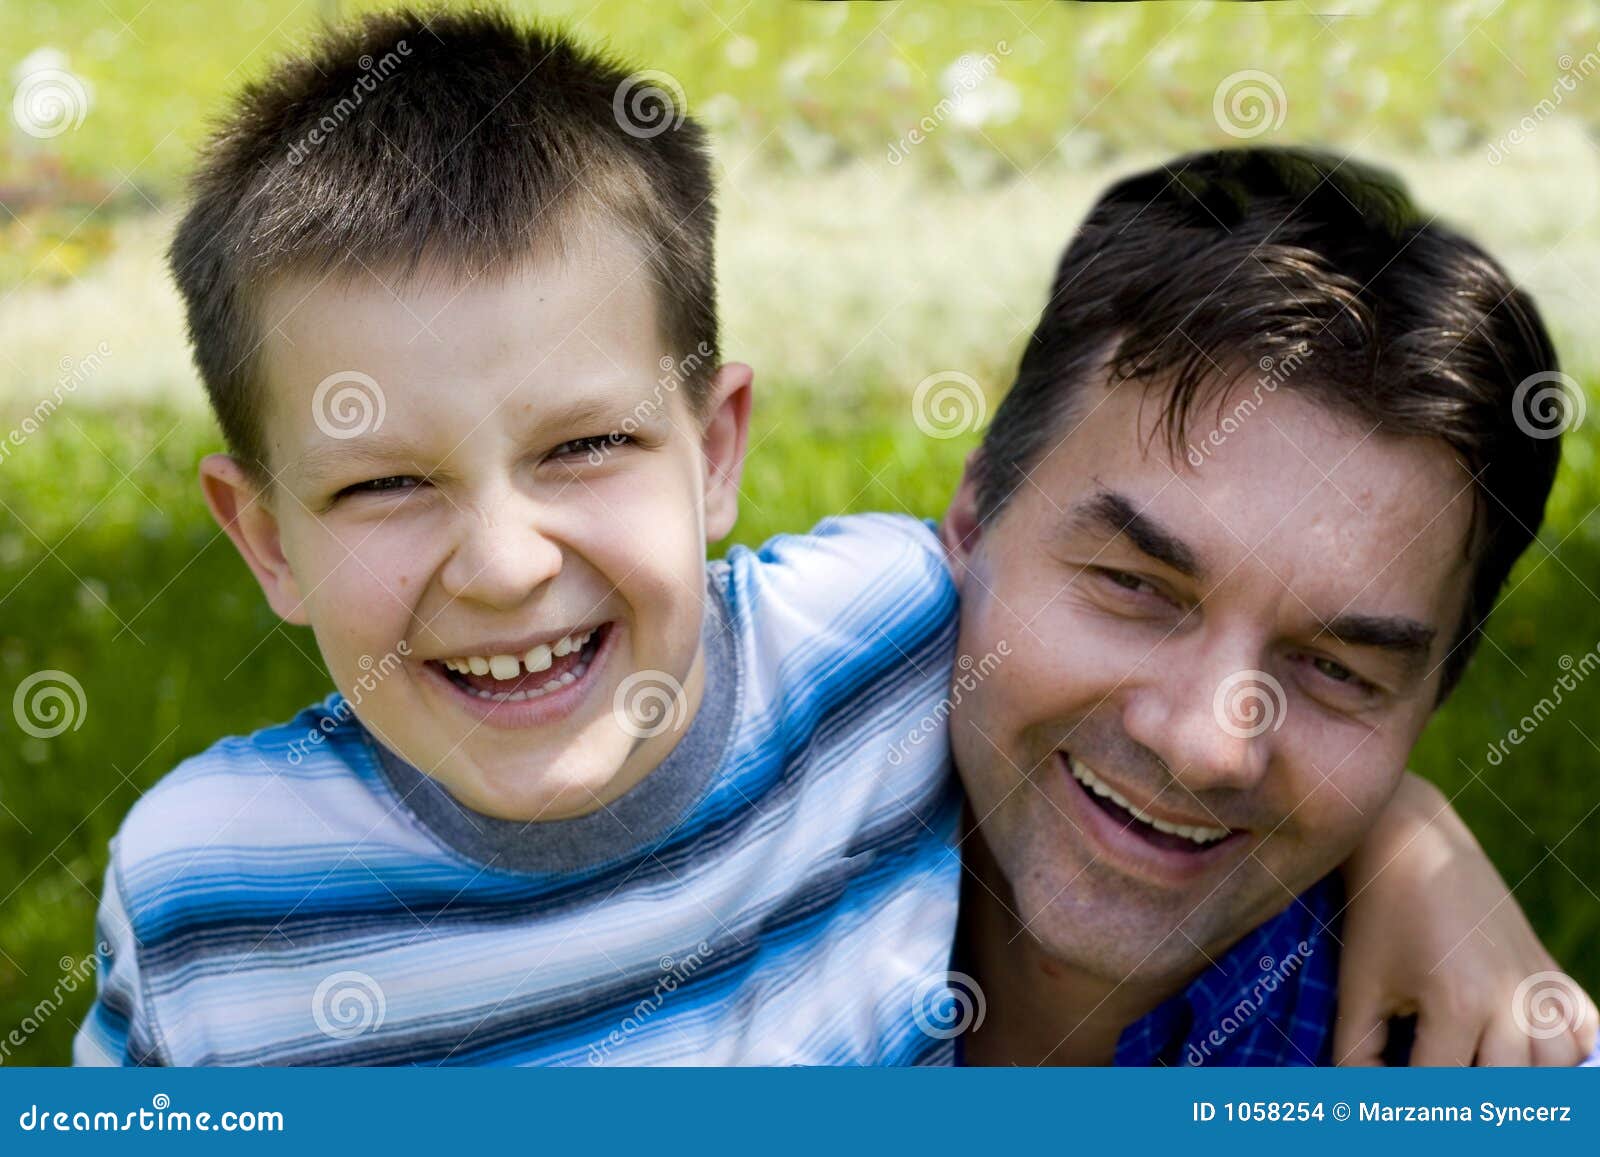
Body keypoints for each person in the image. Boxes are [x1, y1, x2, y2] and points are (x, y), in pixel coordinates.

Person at [73, 10, 1588, 1066]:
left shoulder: (863, 640)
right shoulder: (205, 886)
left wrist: (1407, 842)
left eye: (586, 448)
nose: (506, 563)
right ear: (261, 536)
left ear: (717, 446)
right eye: (382, 485)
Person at [941, 147, 1600, 1066]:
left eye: (1337, 669)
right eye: (1135, 586)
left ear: (1434, 697)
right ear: (972, 521)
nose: (1208, 746)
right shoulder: (722, 791)